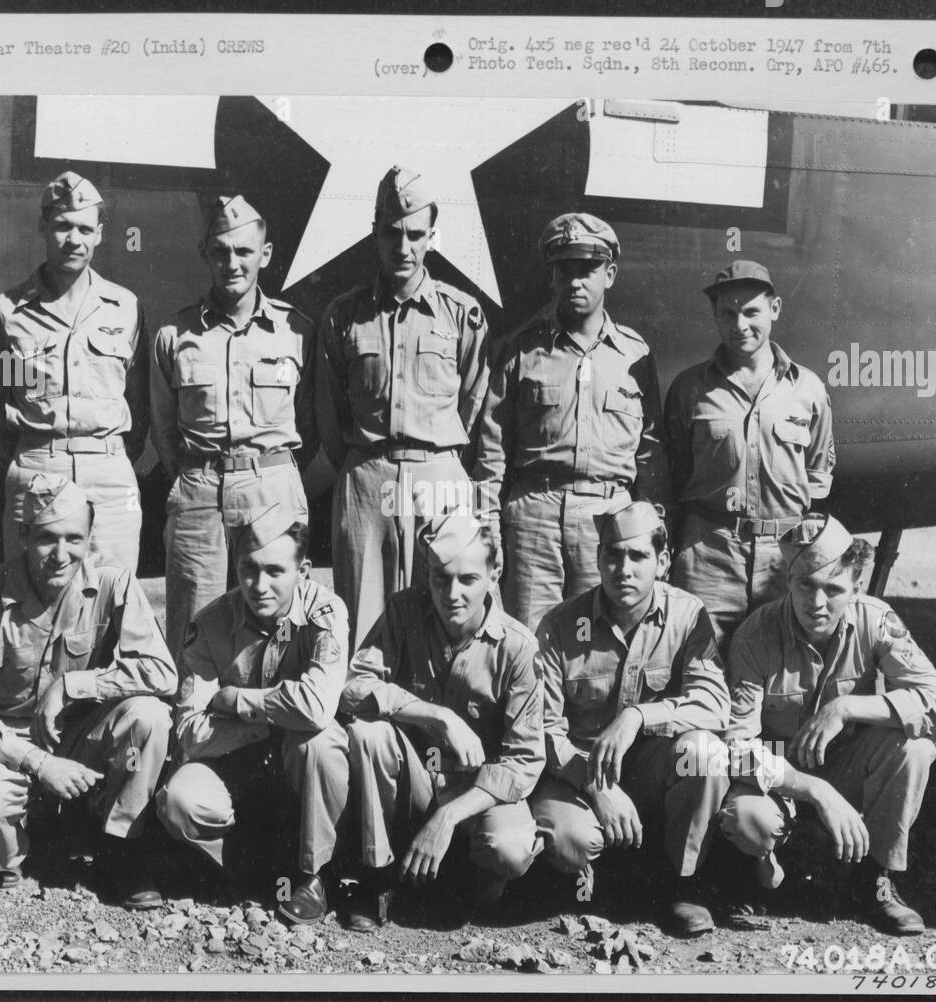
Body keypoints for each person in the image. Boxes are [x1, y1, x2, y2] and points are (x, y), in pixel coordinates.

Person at [0, 474, 176, 908]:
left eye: (74, 539)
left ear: (89, 539)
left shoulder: (112, 583)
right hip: (10, 743)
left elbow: (161, 672)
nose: (61, 555)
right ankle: (14, 847)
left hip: (84, 738)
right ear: (23, 535)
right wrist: (39, 763)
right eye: (47, 538)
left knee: (149, 716)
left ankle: (119, 847)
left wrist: (74, 684)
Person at [718, 513, 936, 934]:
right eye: (805, 585)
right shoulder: (756, 636)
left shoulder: (876, 621)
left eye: (833, 589)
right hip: (779, 777)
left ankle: (875, 879)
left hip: (847, 765)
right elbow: (736, 748)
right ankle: (753, 872)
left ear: (857, 587)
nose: (817, 603)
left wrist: (846, 707)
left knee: (916, 746)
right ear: (788, 582)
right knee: (747, 820)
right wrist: (814, 789)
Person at [530, 501, 730, 936]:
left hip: (650, 771)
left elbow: (714, 703)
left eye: (638, 556)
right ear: (598, 559)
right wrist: (596, 786)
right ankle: (598, 876)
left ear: (662, 561)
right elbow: (542, 730)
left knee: (705, 753)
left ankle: (682, 883)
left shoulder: (687, 615)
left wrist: (639, 715)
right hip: (579, 776)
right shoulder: (560, 627)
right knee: (571, 842)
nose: (624, 569)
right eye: (612, 555)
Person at [339, 512, 543, 931]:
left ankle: (465, 879)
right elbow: (353, 688)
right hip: (414, 780)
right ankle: (378, 876)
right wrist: (435, 714)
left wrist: (447, 817)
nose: (451, 593)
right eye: (439, 578)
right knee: (368, 733)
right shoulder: (402, 612)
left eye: (468, 578)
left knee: (510, 848)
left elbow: (522, 761)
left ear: (495, 572)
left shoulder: (518, 647)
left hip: (476, 792)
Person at [315, 165, 491, 650]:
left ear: (432, 236)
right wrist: (364, 465)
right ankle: (364, 721)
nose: (404, 247)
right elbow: (330, 412)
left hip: (436, 476)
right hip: (367, 479)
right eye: (392, 233)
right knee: (361, 622)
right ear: (375, 234)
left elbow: (472, 402)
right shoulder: (344, 315)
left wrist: (436, 459)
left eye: (416, 234)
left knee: (441, 613)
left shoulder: (461, 315)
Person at [154, 504, 351, 925]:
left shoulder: (325, 612)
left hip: (301, 764)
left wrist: (236, 701)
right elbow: (189, 730)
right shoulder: (209, 623)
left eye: (275, 571)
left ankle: (314, 873)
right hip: (238, 763)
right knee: (179, 801)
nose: (259, 585)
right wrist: (268, 725)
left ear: (304, 570)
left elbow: (316, 708)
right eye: (248, 569)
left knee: (320, 744)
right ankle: (244, 865)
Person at [474, 213, 669, 631]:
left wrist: (651, 527)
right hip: (533, 520)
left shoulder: (634, 357)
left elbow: (651, 452)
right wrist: (488, 525)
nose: (575, 281)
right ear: (552, 276)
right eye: (565, 270)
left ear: (610, 274)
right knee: (528, 642)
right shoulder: (521, 351)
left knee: (600, 642)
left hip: (608, 517)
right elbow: (493, 448)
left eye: (587, 270)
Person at [150, 195, 315, 656]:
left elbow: (315, 417)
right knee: (193, 625)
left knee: (279, 622)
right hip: (200, 489)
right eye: (221, 251)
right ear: (206, 253)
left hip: (273, 486)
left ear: (265, 255)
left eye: (243, 252)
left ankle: (277, 716)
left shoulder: (296, 332)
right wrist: (194, 479)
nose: (232, 263)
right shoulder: (175, 335)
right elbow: (162, 430)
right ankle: (191, 718)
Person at [0, 171, 149, 572]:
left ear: (100, 233)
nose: (75, 239)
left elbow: (139, 406)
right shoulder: (5, 311)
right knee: (31, 606)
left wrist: (107, 457)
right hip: (37, 471)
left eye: (85, 228)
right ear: (42, 226)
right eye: (62, 226)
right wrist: (31, 455)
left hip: (109, 477)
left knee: (112, 600)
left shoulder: (126, 308)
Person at [663, 260, 835, 646]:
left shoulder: (808, 389)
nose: (740, 325)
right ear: (715, 315)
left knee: (779, 678)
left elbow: (819, 476)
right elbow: (674, 476)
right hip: (708, 557)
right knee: (698, 670)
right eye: (728, 313)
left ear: (774, 310)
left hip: (784, 559)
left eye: (751, 311)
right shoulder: (689, 388)